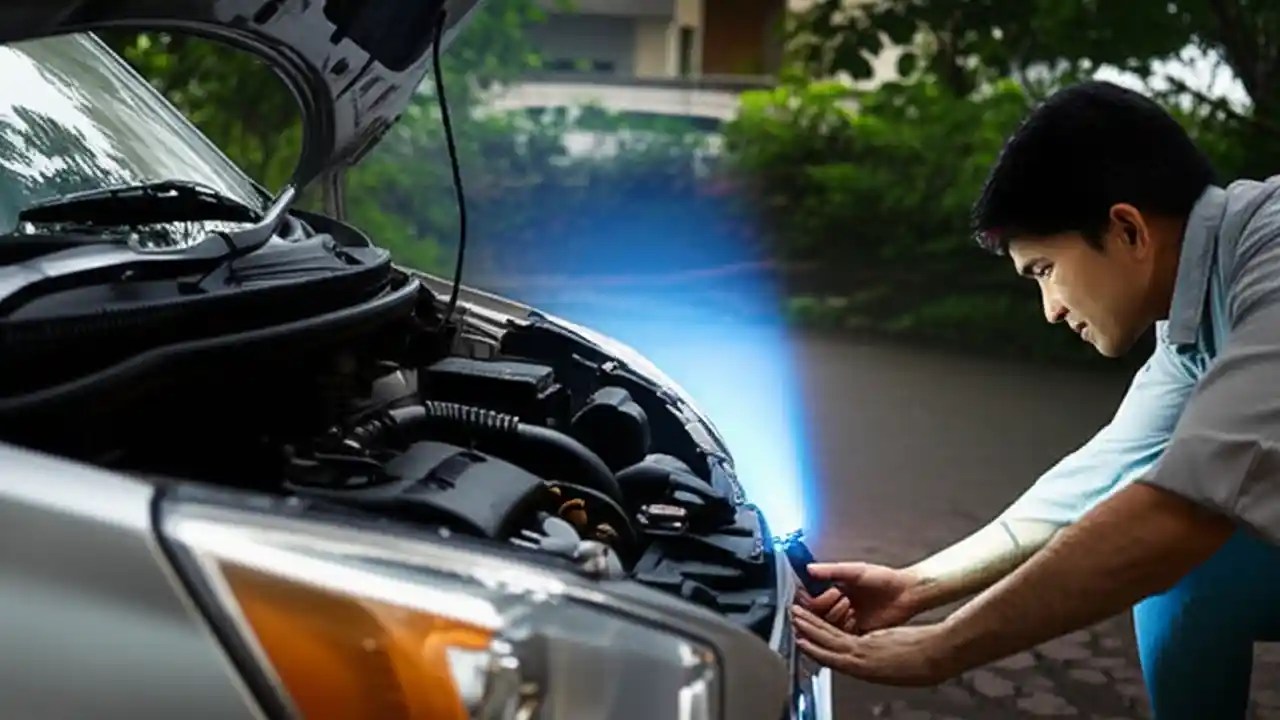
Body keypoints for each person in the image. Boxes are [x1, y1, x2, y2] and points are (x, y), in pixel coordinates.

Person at [791, 79, 1280, 719]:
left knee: (1179, 562)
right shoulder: (1199, 313)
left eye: (1044, 271)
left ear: (1128, 228)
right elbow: (1099, 478)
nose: (1049, 310)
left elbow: (1180, 513)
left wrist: (942, 650)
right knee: (1186, 583)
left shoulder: (1269, 267)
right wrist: (917, 586)